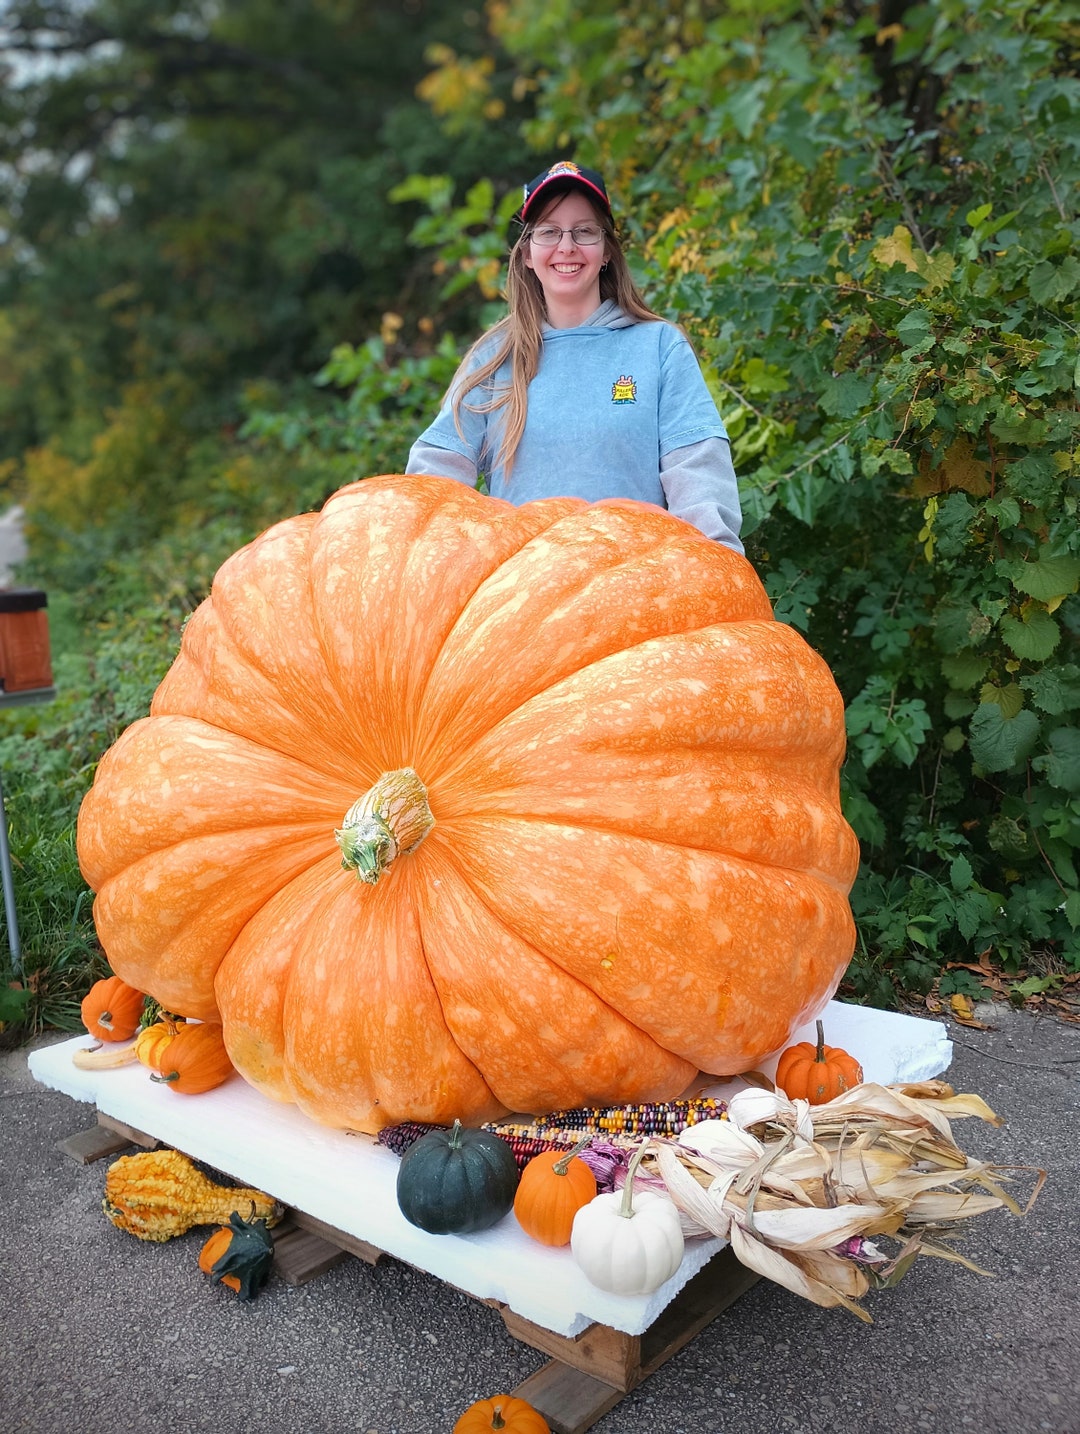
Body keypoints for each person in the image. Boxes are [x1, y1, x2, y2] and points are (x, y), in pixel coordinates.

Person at [406, 160, 744, 553]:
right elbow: (435, 482)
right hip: (521, 599)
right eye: (548, 232)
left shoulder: (659, 347)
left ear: (606, 253)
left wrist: (717, 565)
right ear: (528, 254)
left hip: (642, 595)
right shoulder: (495, 359)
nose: (566, 246)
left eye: (584, 231)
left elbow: (699, 474)